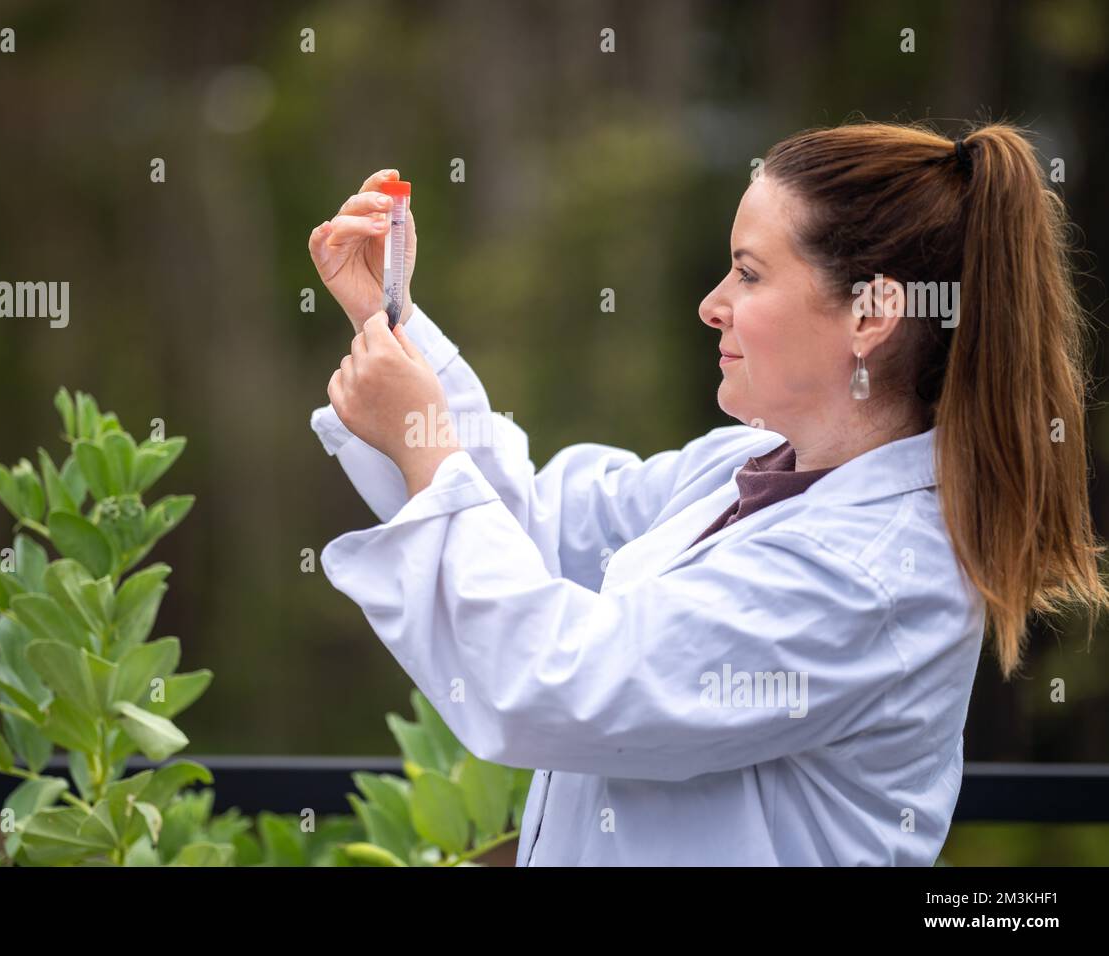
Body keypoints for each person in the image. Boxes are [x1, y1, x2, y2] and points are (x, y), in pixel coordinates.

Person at [305, 123, 1107, 865]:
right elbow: (537, 530)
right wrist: (392, 320)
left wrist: (429, 446)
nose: (711, 304)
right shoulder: (751, 468)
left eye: (749, 274)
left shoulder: (868, 577)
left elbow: (567, 687)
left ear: (871, 315)